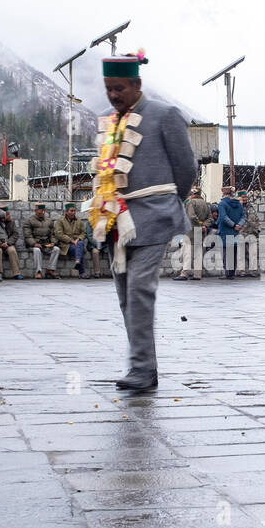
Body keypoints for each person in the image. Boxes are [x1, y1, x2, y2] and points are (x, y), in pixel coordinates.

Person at [88, 51, 196, 393]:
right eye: (108, 89)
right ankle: (143, 368)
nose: (113, 95)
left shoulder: (165, 115)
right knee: (125, 296)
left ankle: (141, 369)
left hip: (155, 216)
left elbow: (186, 169)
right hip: (114, 222)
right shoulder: (106, 119)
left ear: (137, 84)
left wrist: (165, 202)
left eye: (119, 88)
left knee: (139, 292)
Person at [174, 186, 211, 281]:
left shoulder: (191, 202)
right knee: (198, 252)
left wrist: (198, 225)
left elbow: (191, 216)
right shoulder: (205, 204)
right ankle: (197, 274)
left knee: (187, 252)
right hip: (201, 231)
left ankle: (185, 273)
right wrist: (204, 226)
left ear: (192, 194)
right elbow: (210, 218)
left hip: (191, 230)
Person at [215, 186, 245, 280]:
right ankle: (232, 273)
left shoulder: (222, 204)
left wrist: (232, 225)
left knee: (226, 252)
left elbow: (223, 217)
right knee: (233, 251)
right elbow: (243, 216)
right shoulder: (239, 203)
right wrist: (239, 225)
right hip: (235, 232)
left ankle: (227, 273)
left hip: (225, 231)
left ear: (224, 194)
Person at [54, 203, 89, 278]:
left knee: (80, 244)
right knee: (80, 247)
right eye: (71, 211)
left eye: (74, 211)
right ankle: (81, 272)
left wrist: (78, 239)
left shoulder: (79, 221)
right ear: (66, 212)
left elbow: (84, 233)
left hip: (77, 243)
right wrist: (71, 241)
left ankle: (77, 261)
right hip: (66, 245)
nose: (73, 212)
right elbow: (58, 234)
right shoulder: (60, 221)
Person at [25, 204, 60, 279]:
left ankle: (50, 269)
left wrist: (53, 242)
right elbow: (28, 236)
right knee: (37, 250)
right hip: (35, 244)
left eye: (43, 211)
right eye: (40, 212)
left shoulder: (49, 221)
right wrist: (34, 243)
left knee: (56, 249)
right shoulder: (29, 221)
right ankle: (38, 272)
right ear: (35, 211)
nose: (42, 213)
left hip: (46, 244)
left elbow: (52, 234)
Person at [238, 191, 261, 277]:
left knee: (253, 253)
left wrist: (258, 229)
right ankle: (241, 270)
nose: (245, 199)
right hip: (241, 233)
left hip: (252, 233)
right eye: (243, 197)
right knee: (240, 253)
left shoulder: (251, 207)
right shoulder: (237, 208)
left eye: (246, 197)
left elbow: (256, 219)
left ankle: (253, 270)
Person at [0, 207, 23, 280]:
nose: (9, 216)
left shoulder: (11, 222)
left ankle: (16, 273)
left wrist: (8, 243)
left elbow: (15, 234)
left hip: (8, 243)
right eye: (7, 215)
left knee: (12, 251)